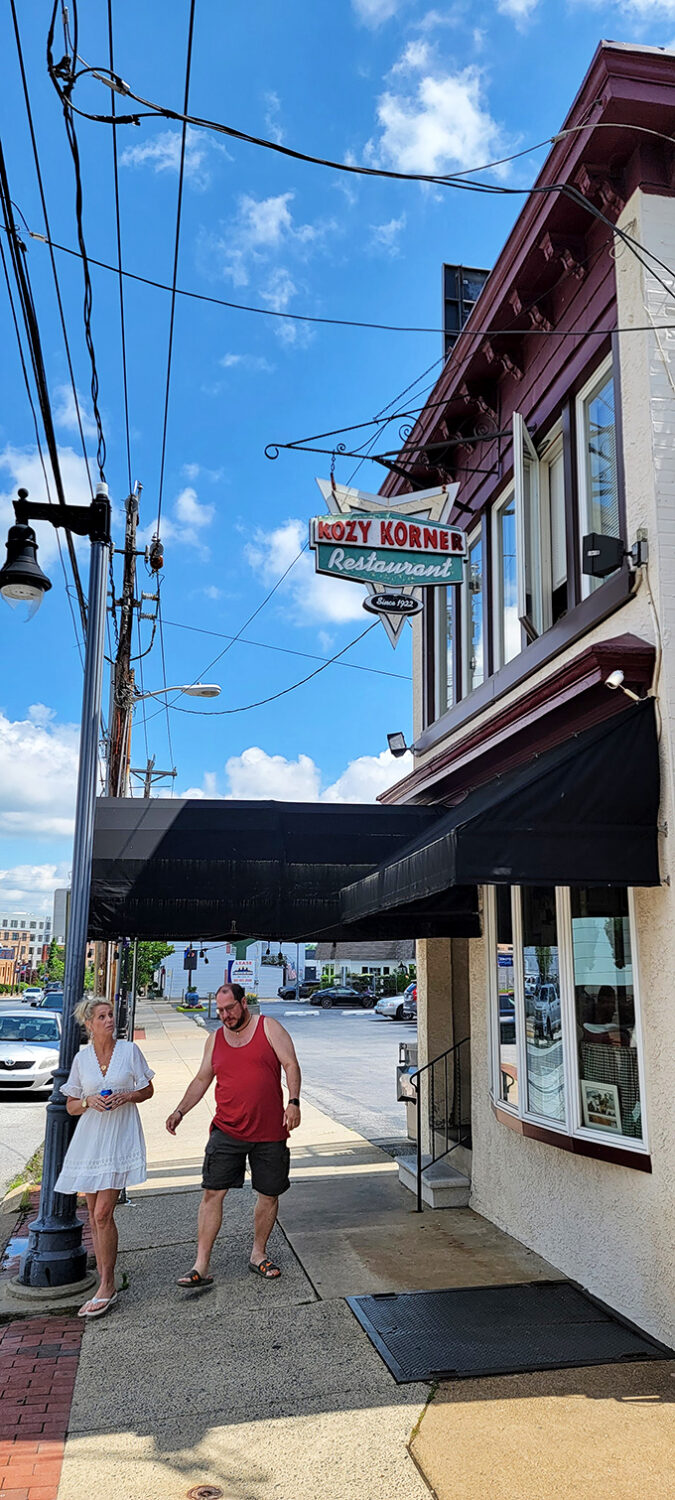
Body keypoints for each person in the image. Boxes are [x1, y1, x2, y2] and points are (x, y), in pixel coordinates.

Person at [166, 982, 301, 1285]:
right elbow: (202, 1079)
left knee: (268, 1194)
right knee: (213, 1192)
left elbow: (291, 1064)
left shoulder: (269, 1028)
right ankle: (200, 1265)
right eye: (220, 1010)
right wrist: (179, 1111)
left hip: (269, 1132)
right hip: (227, 1129)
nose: (225, 1015)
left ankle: (258, 1254)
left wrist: (293, 1102)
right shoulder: (215, 1039)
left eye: (229, 1008)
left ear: (243, 1003)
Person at [56, 997, 155, 1319]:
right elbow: (70, 1105)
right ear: (89, 1023)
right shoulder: (82, 1060)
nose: (110, 1020)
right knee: (94, 1214)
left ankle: (107, 1285)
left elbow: (148, 1089)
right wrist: (88, 1101)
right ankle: (104, 1281)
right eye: (102, 1016)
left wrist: (130, 1094)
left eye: (111, 1015)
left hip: (119, 1136)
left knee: (101, 1213)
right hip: (91, 1139)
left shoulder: (129, 1052)